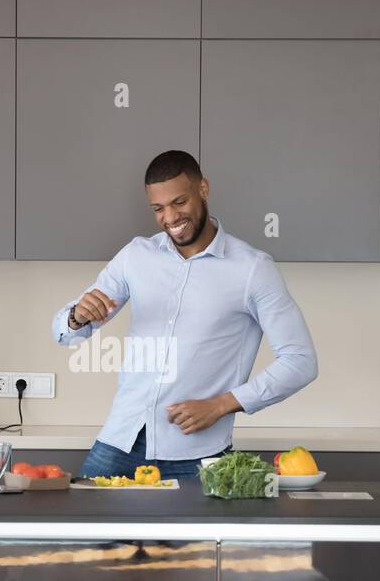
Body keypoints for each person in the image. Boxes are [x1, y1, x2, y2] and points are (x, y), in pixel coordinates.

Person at [52, 150, 318, 479]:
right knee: (84, 531)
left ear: (203, 189)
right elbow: (64, 331)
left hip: (196, 456)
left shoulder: (252, 269)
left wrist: (221, 405)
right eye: (158, 208)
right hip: (118, 442)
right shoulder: (136, 255)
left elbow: (300, 361)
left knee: (196, 535)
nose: (170, 218)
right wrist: (77, 316)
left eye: (179, 202)